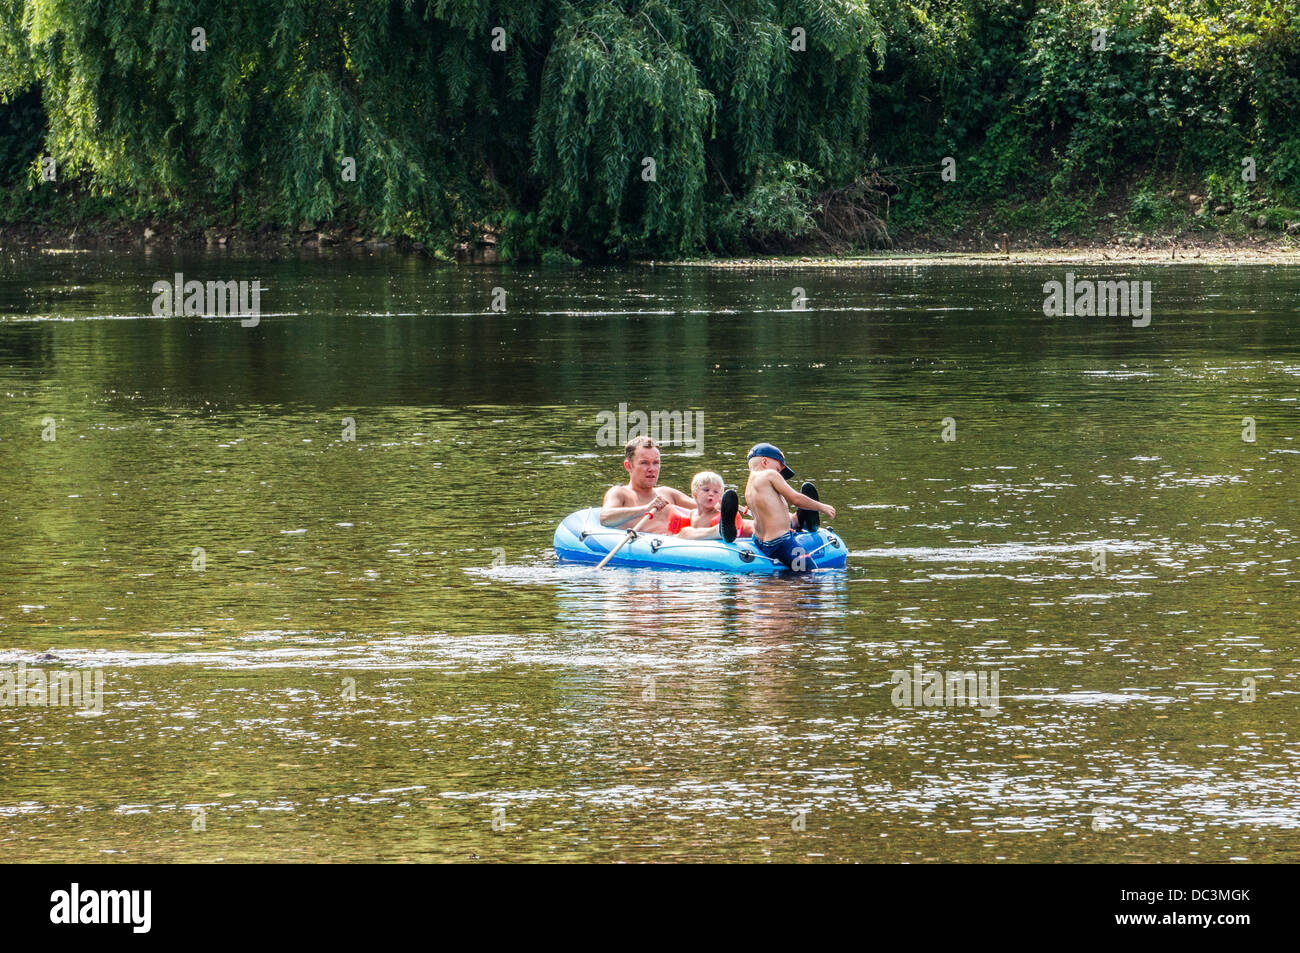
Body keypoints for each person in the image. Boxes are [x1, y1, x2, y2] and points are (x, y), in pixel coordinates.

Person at [730, 442, 835, 570]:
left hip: (760, 541)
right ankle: (803, 517)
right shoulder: (769, 474)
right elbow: (795, 499)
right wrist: (821, 507)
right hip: (781, 543)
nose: (778, 473)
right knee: (810, 572)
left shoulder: (749, 486)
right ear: (764, 462)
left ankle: (800, 519)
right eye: (778, 469)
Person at [600, 436, 696, 535]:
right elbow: (605, 518)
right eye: (644, 463)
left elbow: (706, 508)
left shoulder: (667, 493)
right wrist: (646, 509)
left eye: (656, 463)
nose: (652, 469)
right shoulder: (620, 493)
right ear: (628, 466)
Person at [666, 471, 752, 539]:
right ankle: (718, 531)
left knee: (726, 523)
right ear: (694, 494)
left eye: (716, 492)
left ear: (719, 497)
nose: (711, 494)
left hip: (714, 545)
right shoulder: (692, 514)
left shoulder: (718, 516)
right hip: (696, 545)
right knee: (684, 532)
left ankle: (723, 529)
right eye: (706, 490)